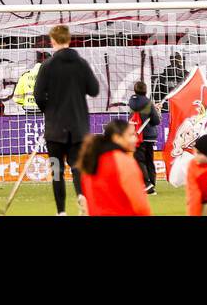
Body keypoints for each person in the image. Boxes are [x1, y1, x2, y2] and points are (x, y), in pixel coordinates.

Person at [32, 24, 100, 216]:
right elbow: (94, 90)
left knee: (56, 171)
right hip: (78, 128)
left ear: (52, 41)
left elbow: (38, 95)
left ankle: (61, 212)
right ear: (69, 40)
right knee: (78, 167)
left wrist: (49, 110)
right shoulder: (81, 64)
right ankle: (82, 196)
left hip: (55, 130)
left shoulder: (47, 66)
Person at [77, 119, 152, 216]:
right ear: (117, 138)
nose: (135, 139)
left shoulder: (90, 162)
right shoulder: (124, 162)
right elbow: (141, 205)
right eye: (131, 135)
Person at [127, 80, 160, 192]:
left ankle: (147, 185)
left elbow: (132, 116)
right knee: (149, 160)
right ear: (145, 90)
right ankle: (151, 183)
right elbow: (156, 121)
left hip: (136, 135)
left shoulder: (131, 102)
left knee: (139, 160)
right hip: (149, 136)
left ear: (135, 90)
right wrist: (156, 111)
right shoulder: (148, 103)